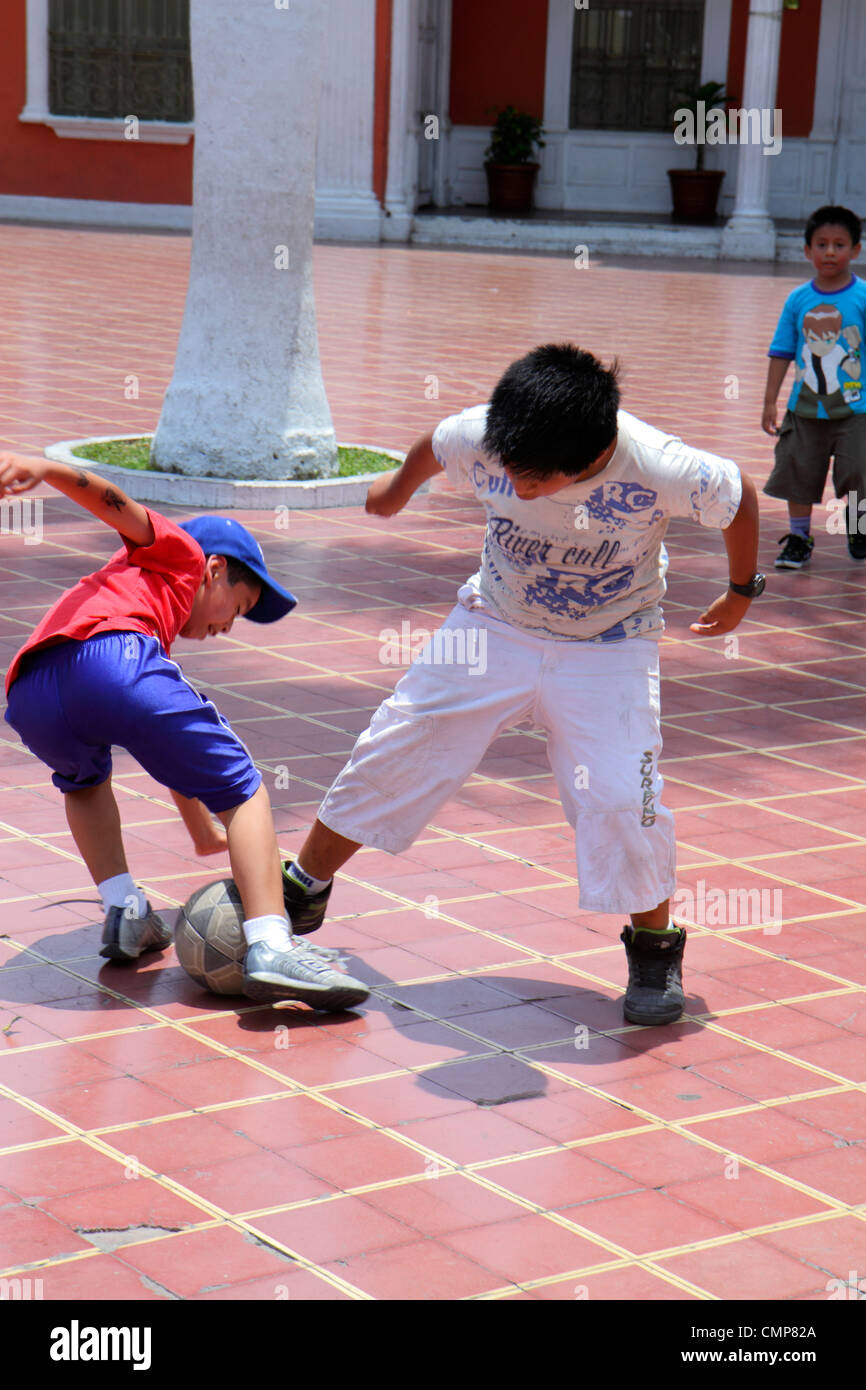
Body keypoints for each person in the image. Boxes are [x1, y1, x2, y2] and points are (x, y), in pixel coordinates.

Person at [276, 344, 762, 1026]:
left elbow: (740, 498)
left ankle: (654, 948)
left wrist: (741, 591)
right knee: (400, 737)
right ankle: (303, 888)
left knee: (626, 795)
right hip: (493, 625)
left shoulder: (661, 466)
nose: (508, 478)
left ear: (589, 456)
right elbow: (437, 446)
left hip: (610, 645)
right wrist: (394, 489)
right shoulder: (490, 433)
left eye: (530, 476)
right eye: (504, 463)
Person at [0, 452, 368, 1012]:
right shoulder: (181, 554)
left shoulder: (136, 604)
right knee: (245, 788)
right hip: (111, 658)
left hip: (30, 691)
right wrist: (47, 472)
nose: (227, 626)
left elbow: (167, 754)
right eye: (238, 607)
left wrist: (204, 834)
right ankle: (271, 945)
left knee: (83, 781)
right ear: (215, 570)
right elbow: (115, 505)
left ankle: (125, 912)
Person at [762, 204, 866, 568]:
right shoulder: (798, 300)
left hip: (856, 409)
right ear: (808, 251)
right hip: (804, 409)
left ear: (856, 249)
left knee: (859, 470)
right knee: (797, 471)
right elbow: (781, 351)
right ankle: (799, 538)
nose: (830, 252)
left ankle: (859, 527)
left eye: (840, 244)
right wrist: (770, 401)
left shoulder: (862, 298)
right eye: (821, 244)